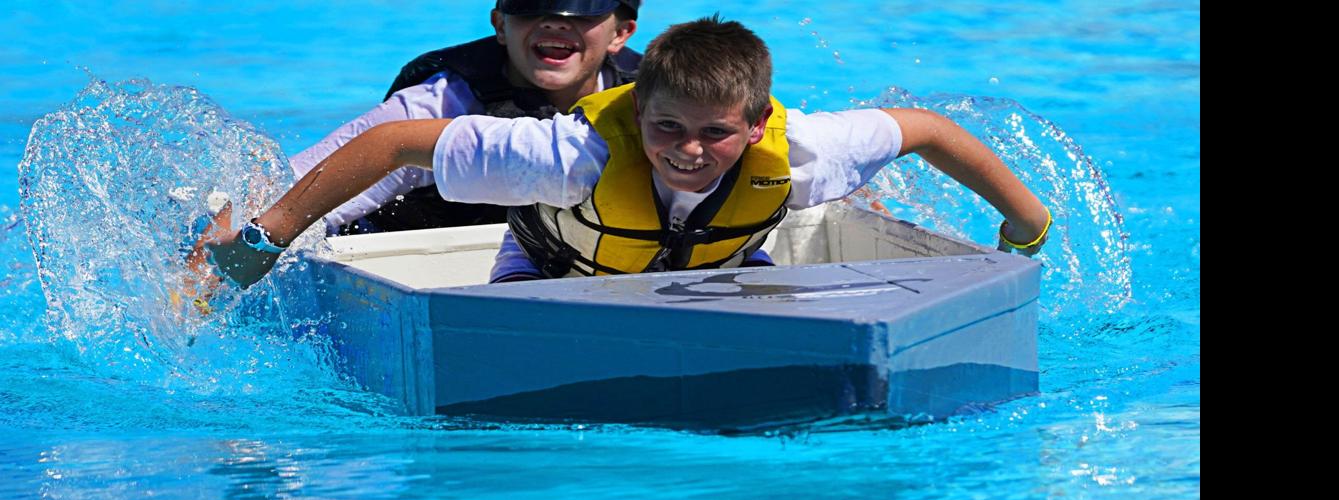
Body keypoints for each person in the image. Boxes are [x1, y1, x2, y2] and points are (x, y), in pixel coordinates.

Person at [199, 16, 1051, 290]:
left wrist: (1026, 221)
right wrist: (265, 239)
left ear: (756, 127)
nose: (688, 151)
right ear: (638, 116)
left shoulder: (802, 155)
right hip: (549, 283)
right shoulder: (565, 155)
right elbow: (388, 145)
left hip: (711, 279)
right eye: (666, 130)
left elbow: (928, 129)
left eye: (716, 133)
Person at [289, 0, 641, 235]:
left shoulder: (658, 105)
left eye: (582, 11)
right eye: (530, 6)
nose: (555, 23)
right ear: (500, 24)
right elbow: (292, 191)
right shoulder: (435, 106)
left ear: (621, 33)